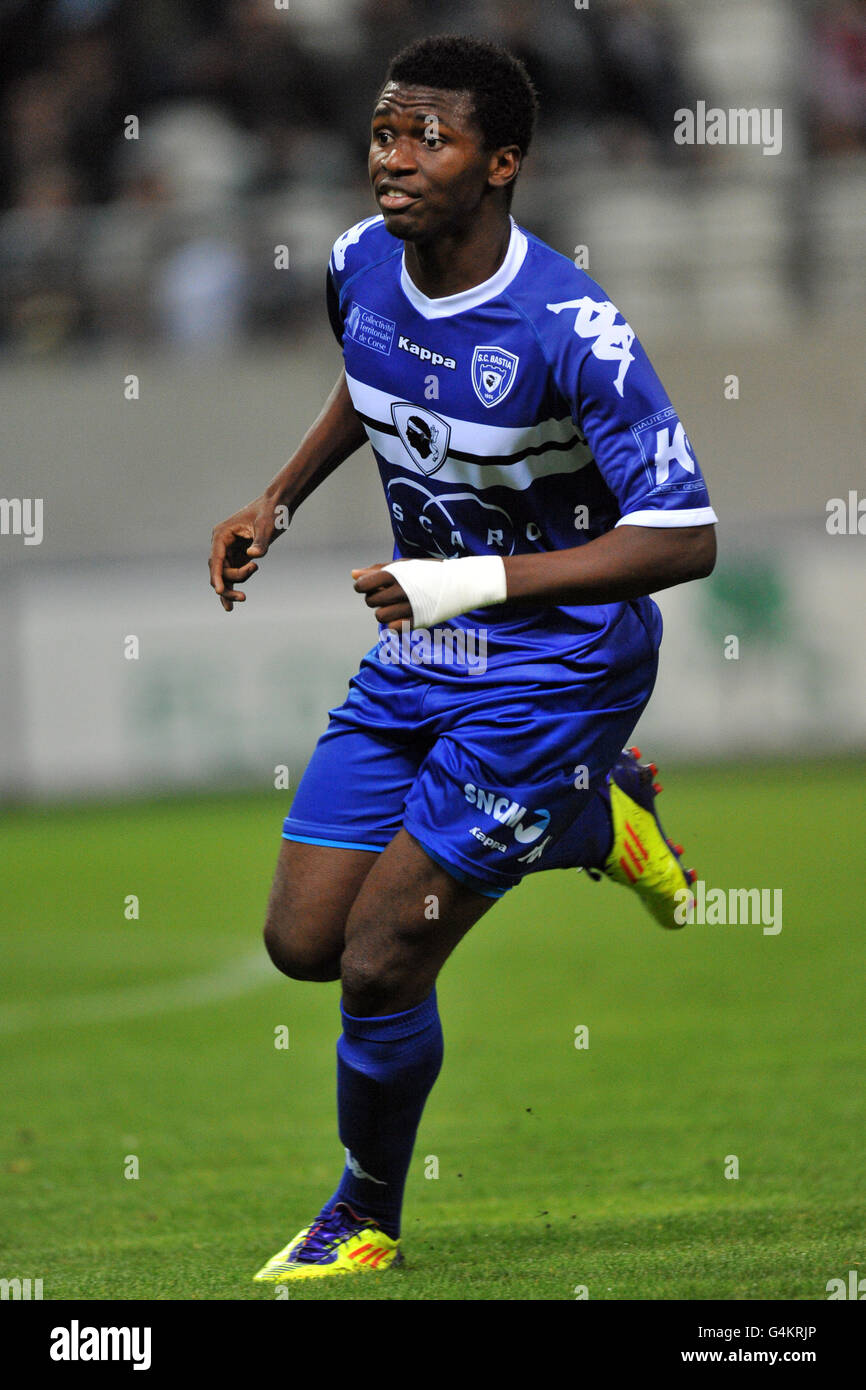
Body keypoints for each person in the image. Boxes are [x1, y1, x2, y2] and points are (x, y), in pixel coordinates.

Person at [208, 34, 717, 1283]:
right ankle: (598, 825)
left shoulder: (571, 329)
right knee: (300, 941)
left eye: (423, 137)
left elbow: (686, 536)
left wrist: (469, 578)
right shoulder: (354, 266)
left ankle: (366, 1213)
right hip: (429, 653)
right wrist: (273, 497)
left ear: (500, 163)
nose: (392, 159)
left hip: (559, 668)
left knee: (383, 953)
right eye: (383, 133)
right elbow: (368, 379)